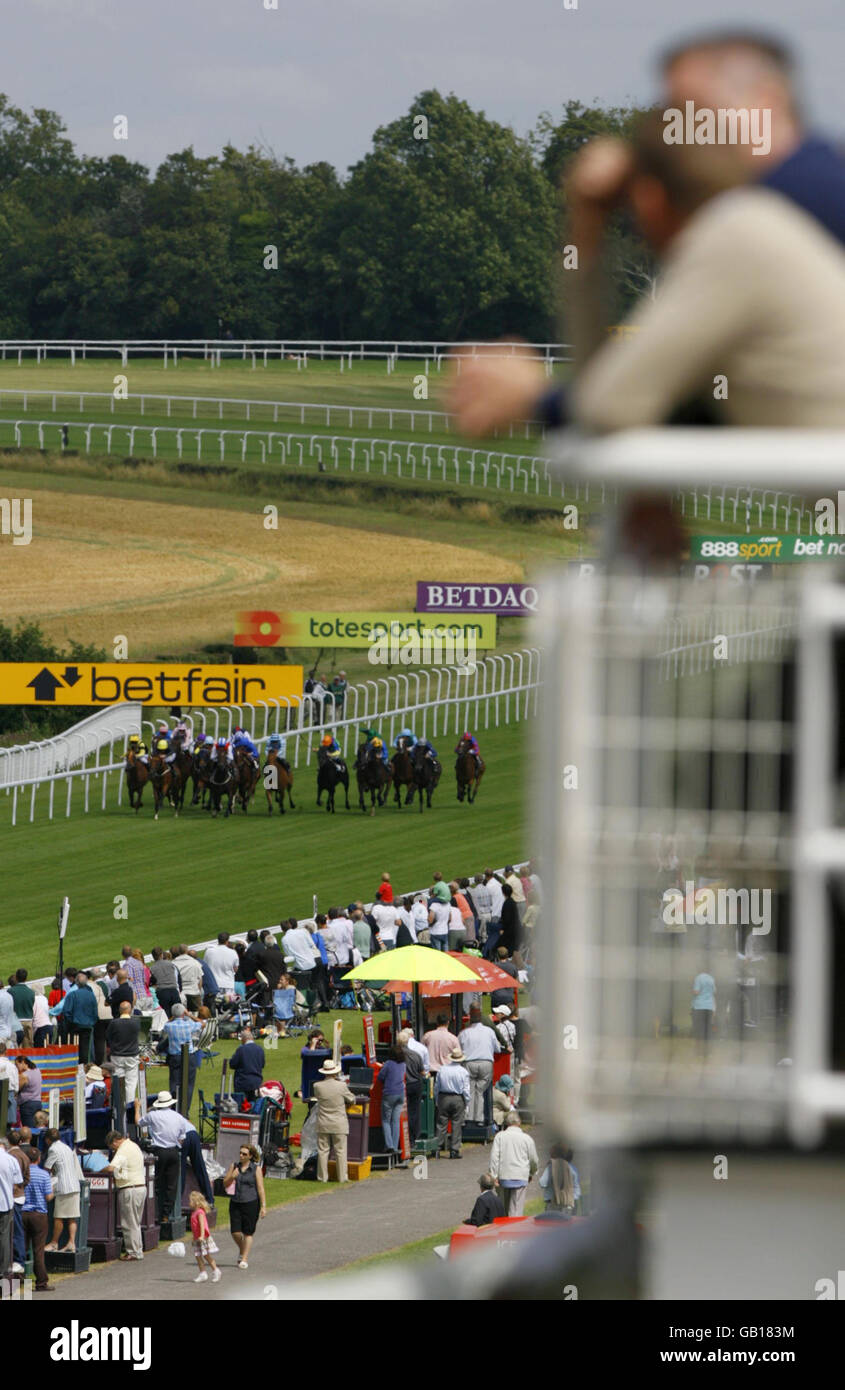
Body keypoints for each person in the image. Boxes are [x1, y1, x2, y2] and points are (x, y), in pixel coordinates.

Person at [139, 1092, 190, 1225]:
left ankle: (154, 1210)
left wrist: (137, 1108)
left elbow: (138, 1122)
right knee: (171, 1185)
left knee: (156, 1182)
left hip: (159, 1152)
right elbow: (182, 1138)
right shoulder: (178, 1117)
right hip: (173, 1151)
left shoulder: (153, 1115)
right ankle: (165, 1214)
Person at [103, 1130, 147, 1261]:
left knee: (129, 1222)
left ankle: (133, 1252)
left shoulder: (123, 1149)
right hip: (140, 1186)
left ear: (115, 1141)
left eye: (112, 1146)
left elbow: (112, 1168)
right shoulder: (134, 1146)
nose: (113, 1149)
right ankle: (137, 1250)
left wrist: (99, 1168)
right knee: (135, 1222)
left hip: (129, 1188)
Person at [312, 1060, 358, 1183]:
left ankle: (322, 1177)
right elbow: (352, 1099)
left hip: (323, 1122)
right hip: (338, 1122)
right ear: (335, 1072)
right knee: (340, 1151)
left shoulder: (317, 1086)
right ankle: (342, 1177)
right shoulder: (341, 1086)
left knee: (323, 1151)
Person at [224, 1144, 266, 1269]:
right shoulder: (234, 1166)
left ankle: (244, 1258)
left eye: (244, 1154)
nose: (241, 1156)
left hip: (251, 1202)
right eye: (240, 1153)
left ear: (251, 1156)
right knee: (235, 1232)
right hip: (236, 1202)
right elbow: (225, 1184)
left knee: (248, 1232)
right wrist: (232, 1176)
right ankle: (243, 1249)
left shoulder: (256, 1169)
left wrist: (263, 1206)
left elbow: (260, 1188)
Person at [489, 1112, 538, 1217]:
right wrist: (531, 1173)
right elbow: (533, 1159)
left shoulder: (500, 1136)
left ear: (507, 1123)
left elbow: (494, 1158)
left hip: (503, 1176)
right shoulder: (527, 1139)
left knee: (503, 1209)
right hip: (520, 1176)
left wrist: (494, 1176)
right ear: (519, 1122)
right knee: (515, 1211)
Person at [459, 1006, 501, 1124]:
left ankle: (469, 1117)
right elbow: (497, 1048)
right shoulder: (489, 1031)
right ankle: (479, 1118)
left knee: (470, 1091)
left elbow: (458, 1048)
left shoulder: (464, 1033)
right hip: (485, 1062)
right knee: (480, 1091)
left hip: (469, 1063)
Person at [43, 1129, 82, 1253]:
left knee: (58, 1217)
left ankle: (54, 1243)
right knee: (71, 1217)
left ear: (48, 1139)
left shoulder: (53, 1149)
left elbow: (46, 1168)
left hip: (64, 1187)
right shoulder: (67, 1147)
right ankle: (71, 1243)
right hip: (74, 1186)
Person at [21, 1144, 54, 1291]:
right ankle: (41, 1282)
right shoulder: (44, 1175)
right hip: (39, 1214)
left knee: (21, 1247)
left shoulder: (22, 1174)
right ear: (39, 1159)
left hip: (23, 1212)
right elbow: (48, 1196)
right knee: (38, 1250)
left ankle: (19, 1280)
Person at [161, 1004, 202, 1109]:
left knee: (174, 1082)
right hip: (189, 1056)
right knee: (189, 1084)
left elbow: (165, 1025)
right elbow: (202, 1023)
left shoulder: (169, 1026)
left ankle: (175, 1107)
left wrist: (173, 1017)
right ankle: (185, 1108)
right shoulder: (189, 1024)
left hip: (174, 1057)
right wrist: (190, 1015)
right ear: (184, 1013)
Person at [433, 1048, 470, 1158]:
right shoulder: (463, 1072)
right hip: (458, 1098)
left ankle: (437, 1148)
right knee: (456, 1124)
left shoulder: (442, 1069)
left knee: (441, 1124)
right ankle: (454, 1150)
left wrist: (436, 1100)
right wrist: (467, 1102)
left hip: (443, 1097)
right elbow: (466, 1089)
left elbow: (436, 1087)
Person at [397, 1028, 428, 1144]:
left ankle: (405, 1138)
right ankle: (413, 1137)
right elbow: (422, 1071)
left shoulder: (396, 1056)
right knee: (414, 1111)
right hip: (415, 1084)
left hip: (403, 1084)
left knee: (402, 1112)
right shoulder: (415, 1055)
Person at [61, 970, 98, 1064]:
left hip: (76, 1026)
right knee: (86, 1050)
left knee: (75, 1049)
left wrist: (72, 1022)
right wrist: (92, 1022)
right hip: (87, 1025)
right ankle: (85, 1067)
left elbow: (66, 1011)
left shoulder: (73, 995)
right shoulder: (91, 995)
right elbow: (95, 1011)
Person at [379, 1045, 407, 1165]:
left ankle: (389, 1145)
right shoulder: (403, 1064)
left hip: (389, 1093)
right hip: (400, 1093)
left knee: (386, 1120)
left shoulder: (389, 1064)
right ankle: (394, 1146)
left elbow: (380, 1077)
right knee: (395, 1121)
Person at [0, 1140, 23, 1280]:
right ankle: (3, 1269)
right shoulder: (11, 1159)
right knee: (4, 1237)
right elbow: (17, 1183)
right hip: (5, 1203)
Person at [189, 1191, 221, 1284]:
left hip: (203, 1237)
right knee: (198, 1255)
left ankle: (216, 1271)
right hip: (196, 1237)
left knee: (206, 1255)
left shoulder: (200, 1212)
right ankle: (202, 1273)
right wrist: (194, 1237)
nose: (189, 1203)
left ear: (196, 1202)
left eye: (190, 1201)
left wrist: (202, 1236)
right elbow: (194, 1227)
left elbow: (202, 1225)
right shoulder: (194, 1212)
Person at [539, 1143, 577, 1215]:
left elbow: (542, 1183)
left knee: (552, 1224)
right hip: (566, 1201)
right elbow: (574, 1181)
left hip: (552, 1202)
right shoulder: (568, 1166)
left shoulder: (551, 1166)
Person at [229, 1028, 266, 1101]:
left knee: (242, 1106)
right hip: (257, 1082)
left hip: (242, 1082)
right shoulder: (260, 1049)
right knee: (254, 1104)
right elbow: (262, 1064)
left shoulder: (241, 1049)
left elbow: (232, 1064)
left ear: (243, 1039)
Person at [149, 949, 182, 1018]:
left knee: (166, 1017)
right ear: (161, 955)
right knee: (179, 1014)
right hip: (174, 991)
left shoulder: (152, 968)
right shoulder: (171, 964)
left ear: (153, 956)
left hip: (162, 993)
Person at [692, 967, 717, 1052]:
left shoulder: (698, 977)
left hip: (699, 1007)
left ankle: (698, 1050)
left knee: (698, 1029)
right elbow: (713, 992)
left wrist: (692, 991)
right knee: (707, 1029)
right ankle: (707, 1051)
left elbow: (696, 992)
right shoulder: (711, 978)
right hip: (709, 1006)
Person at [173, 945, 204, 1011]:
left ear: (178, 952)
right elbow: (200, 979)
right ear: (187, 951)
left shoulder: (174, 963)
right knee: (197, 1015)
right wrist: (198, 991)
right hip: (193, 992)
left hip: (181, 994)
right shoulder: (195, 962)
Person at [9, 970, 35, 1047]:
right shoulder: (31, 992)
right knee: (28, 1048)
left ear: (16, 978)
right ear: (26, 978)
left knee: (16, 1048)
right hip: (28, 1022)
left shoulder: (10, 991)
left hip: (16, 1023)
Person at [15, 1057, 43, 1127]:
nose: (16, 1067)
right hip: (38, 1103)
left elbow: (16, 1089)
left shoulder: (24, 1076)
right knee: (37, 1128)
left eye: (17, 1064)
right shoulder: (37, 1071)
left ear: (23, 1062)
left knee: (29, 1129)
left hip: (27, 1105)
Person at [498, 884, 521, 957]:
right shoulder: (512, 901)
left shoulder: (507, 903)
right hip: (514, 928)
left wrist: (503, 928)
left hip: (509, 930)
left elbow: (507, 919)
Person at [0, 1042, 18, 1126]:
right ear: (6, 1052)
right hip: (9, 1094)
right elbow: (16, 1087)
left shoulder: (11, 1066)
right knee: (7, 1126)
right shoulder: (12, 1066)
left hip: (8, 1094)